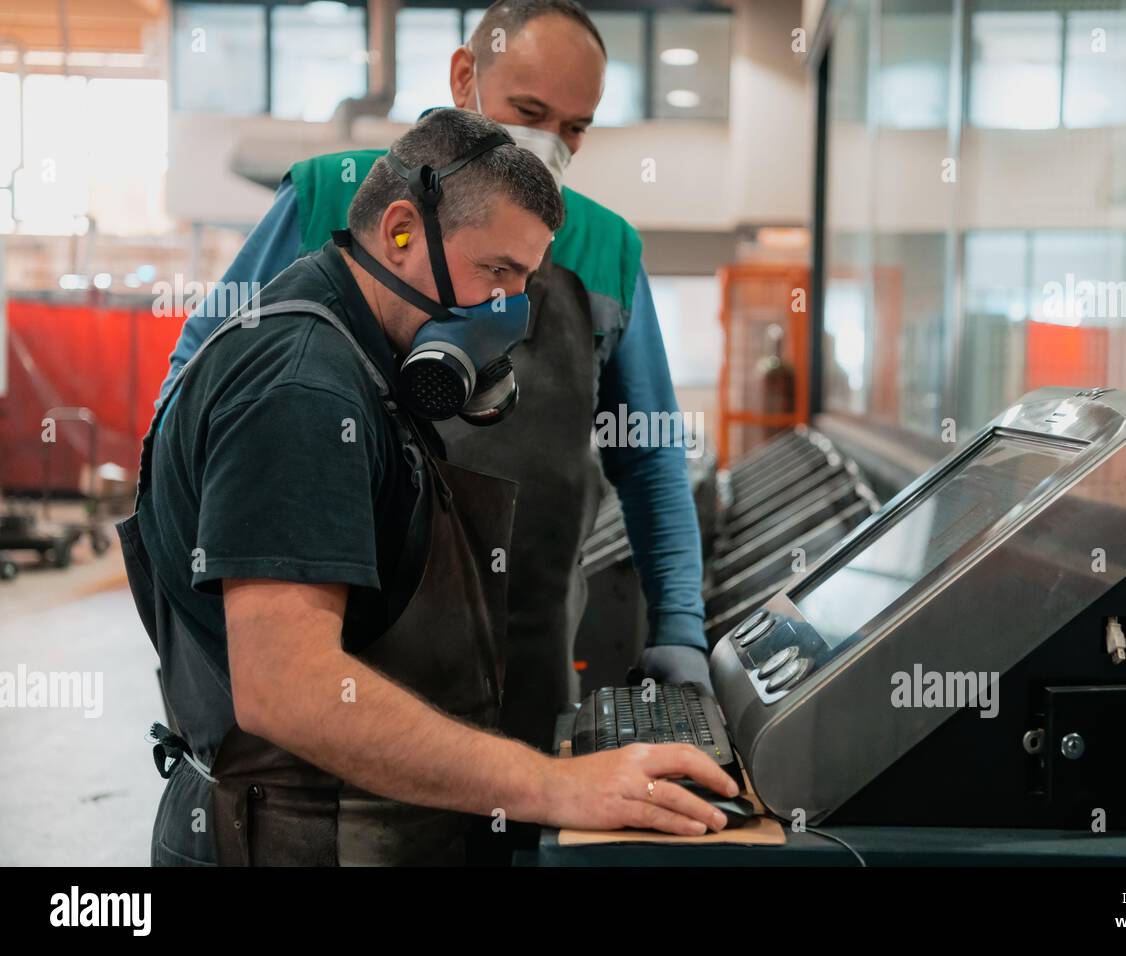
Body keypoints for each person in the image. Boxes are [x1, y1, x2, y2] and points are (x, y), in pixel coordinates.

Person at [119, 110, 739, 866]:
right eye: (498, 272)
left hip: (336, 821)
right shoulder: (304, 387)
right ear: (402, 232)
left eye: (525, 282)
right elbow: (290, 688)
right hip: (288, 838)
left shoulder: (355, 354)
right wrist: (553, 786)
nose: (511, 309)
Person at [158, 0, 711, 753]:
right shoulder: (330, 195)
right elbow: (193, 389)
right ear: (464, 76)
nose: (547, 142)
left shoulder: (606, 249)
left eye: (574, 127)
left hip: (524, 658)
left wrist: (681, 624)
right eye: (528, 109)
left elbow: (647, 457)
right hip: (339, 658)